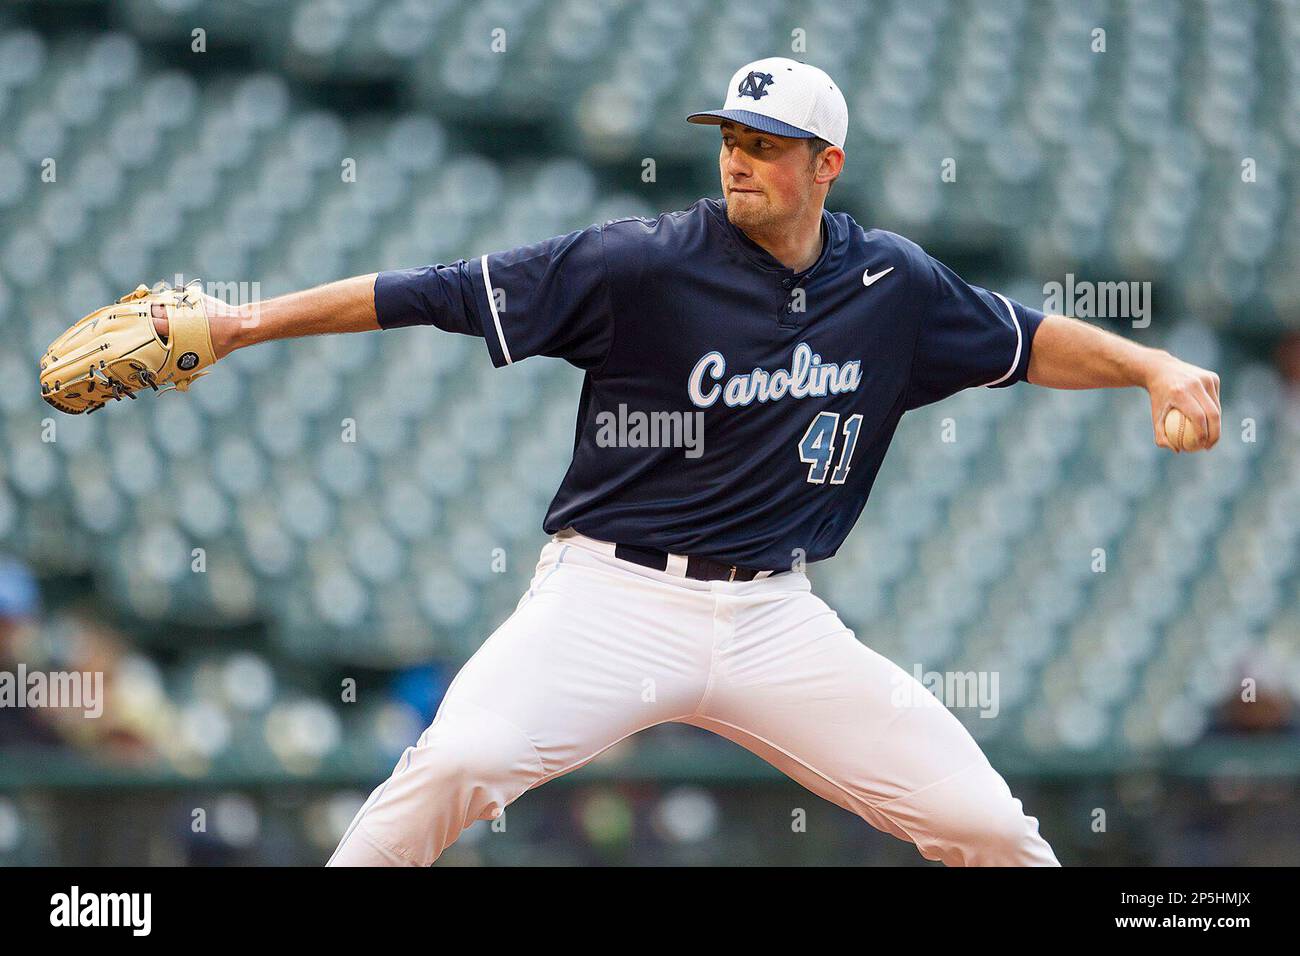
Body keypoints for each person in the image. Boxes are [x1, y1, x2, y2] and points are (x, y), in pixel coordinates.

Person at [156, 58, 1222, 866]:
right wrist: (245, 323)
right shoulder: (641, 261)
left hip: (773, 616)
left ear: (825, 165)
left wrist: (1151, 365)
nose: (738, 158)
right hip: (610, 594)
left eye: (766, 142)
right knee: (460, 762)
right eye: (729, 137)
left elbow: (1028, 339)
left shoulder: (892, 285)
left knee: (983, 822)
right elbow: (431, 290)